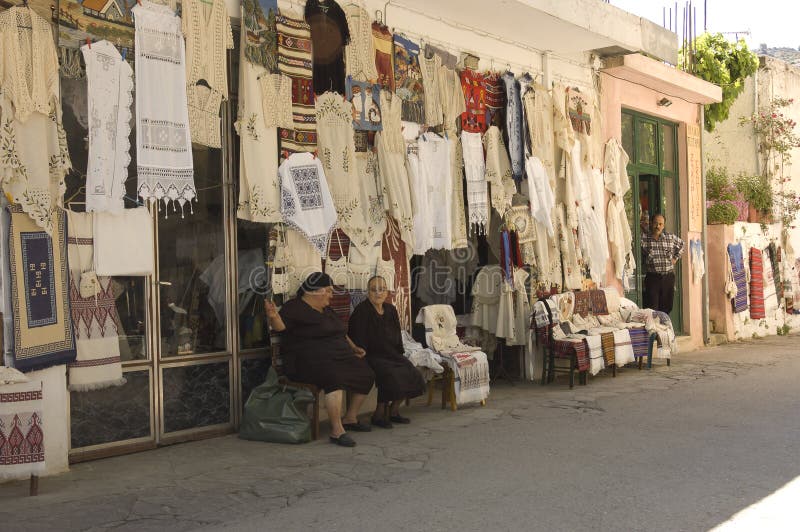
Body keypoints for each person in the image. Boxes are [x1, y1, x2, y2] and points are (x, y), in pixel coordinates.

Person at [265, 272, 375, 447]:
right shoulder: (294, 308)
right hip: (306, 362)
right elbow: (281, 327)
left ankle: (350, 417)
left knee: (366, 373)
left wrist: (354, 347)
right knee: (334, 377)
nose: (331, 295)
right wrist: (273, 316)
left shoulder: (326, 309)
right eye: (328, 291)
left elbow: (340, 331)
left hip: (337, 357)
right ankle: (337, 430)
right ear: (314, 291)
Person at [348, 276, 426, 428]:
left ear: (387, 292)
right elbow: (357, 338)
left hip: (391, 353)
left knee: (412, 373)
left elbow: (397, 334)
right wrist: (363, 352)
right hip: (371, 355)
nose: (378, 293)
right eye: (374, 290)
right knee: (390, 374)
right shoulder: (362, 311)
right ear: (368, 292)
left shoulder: (390, 310)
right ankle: (378, 414)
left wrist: (399, 354)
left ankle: (393, 411)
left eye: (382, 289)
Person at [641, 213, 684, 314]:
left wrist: (675, 258)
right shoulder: (644, 239)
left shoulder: (670, 237)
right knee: (652, 308)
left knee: (667, 307)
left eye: (660, 224)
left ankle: (664, 324)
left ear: (664, 226)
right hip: (653, 278)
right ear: (651, 223)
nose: (658, 226)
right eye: (655, 223)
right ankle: (654, 325)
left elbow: (682, 245)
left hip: (668, 277)